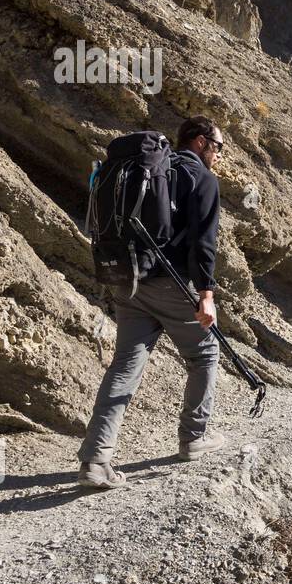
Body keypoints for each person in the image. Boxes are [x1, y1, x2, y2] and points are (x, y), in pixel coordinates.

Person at [77, 116, 227, 488]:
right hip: (170, 284)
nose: (220, 154)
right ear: (199, 141)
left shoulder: (147, 170)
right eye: (218, 146)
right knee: (205, 353)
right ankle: (194, 437)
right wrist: (206, 295)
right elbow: (204, 243)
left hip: (130, 281)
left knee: (125, 366)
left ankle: (96, 461)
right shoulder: (201, 179)